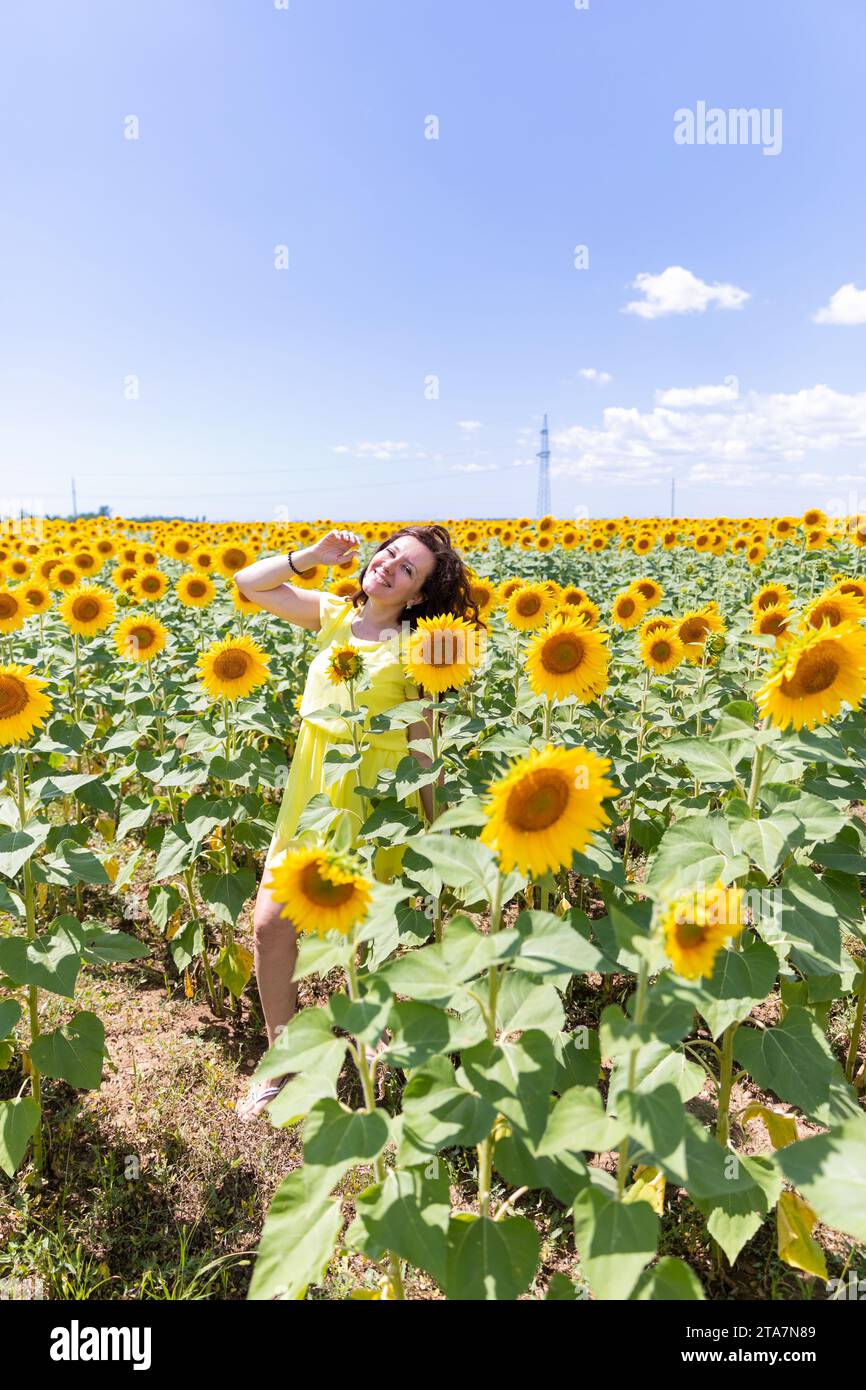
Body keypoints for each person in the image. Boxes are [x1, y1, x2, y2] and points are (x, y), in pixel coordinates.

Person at [233, 524, 480, 1118]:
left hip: (376, 803)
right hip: (314, 795)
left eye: (408, 570)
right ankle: (283, 1059)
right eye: (389, 554)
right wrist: (310, 557)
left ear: (419, 596)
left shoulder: (422, 646)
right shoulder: (333, 614)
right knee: (271, 925)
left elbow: (423, 737)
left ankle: (382, 1045)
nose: (389, 567)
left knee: (373, 938)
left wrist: (433, 825)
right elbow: (248, 584)